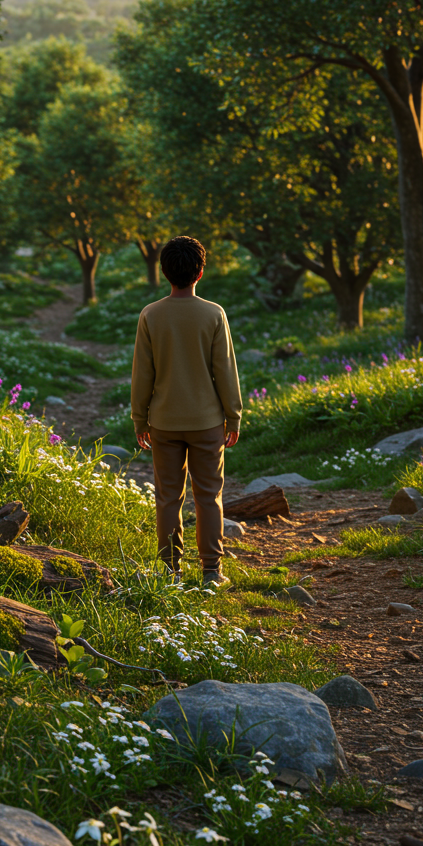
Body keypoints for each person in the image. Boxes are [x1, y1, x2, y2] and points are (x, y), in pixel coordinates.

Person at [130, 234, 242, 587]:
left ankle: (169, 572)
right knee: (209, 496)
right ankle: (211, 571)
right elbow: (225, 370)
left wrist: (139, 418)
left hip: (163, 422)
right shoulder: (214, 314)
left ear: (164, 272)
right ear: (201, 272)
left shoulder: (150, 315)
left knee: (167, 498)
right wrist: (233, 415)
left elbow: (142, 373)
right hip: (207, 422)